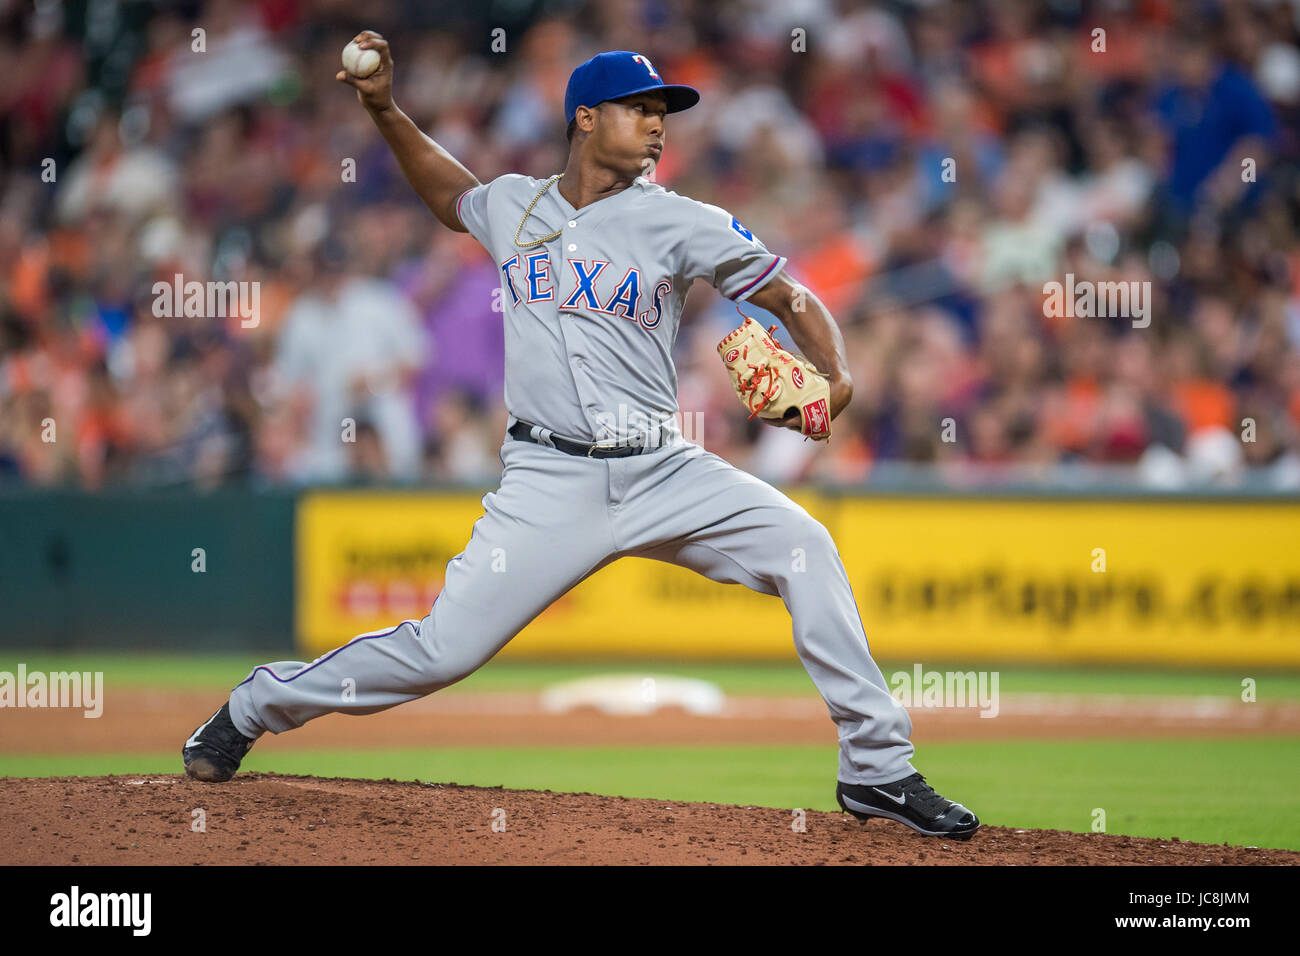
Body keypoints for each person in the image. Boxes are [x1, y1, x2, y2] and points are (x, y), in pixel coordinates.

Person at [182, 34, 980, 841]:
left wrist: (835, 378)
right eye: (640, 110)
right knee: (437, 654)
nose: (658, 125)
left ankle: (878, 770)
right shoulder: (516, 205)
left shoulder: (679, 221)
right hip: (546, 480)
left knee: (804, 546)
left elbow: (792, 297)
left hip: (661, 467)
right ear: (586, 120)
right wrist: (384, 108)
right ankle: (255, 705)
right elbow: (449, 193)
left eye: (663, 112)